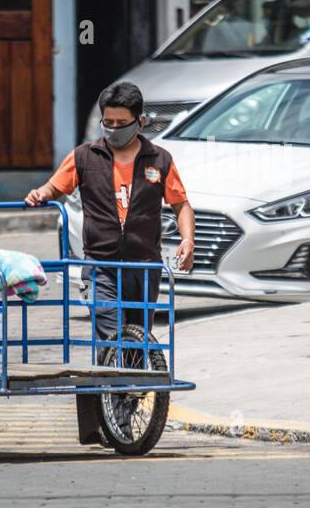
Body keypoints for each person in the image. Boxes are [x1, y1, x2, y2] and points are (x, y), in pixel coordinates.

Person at [25, 82, 194, 341]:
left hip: (144, 266)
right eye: (108, 122)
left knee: (139, 338)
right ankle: (113, 375)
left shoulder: (159, 160)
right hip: (99, 265)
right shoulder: (84, 157)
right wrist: (40, 194)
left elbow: (181, 205)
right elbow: (54, 186)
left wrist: (187, 241)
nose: (114, 129)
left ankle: (135, 377)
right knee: (111, 333)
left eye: (121, 123)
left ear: (140, 122)